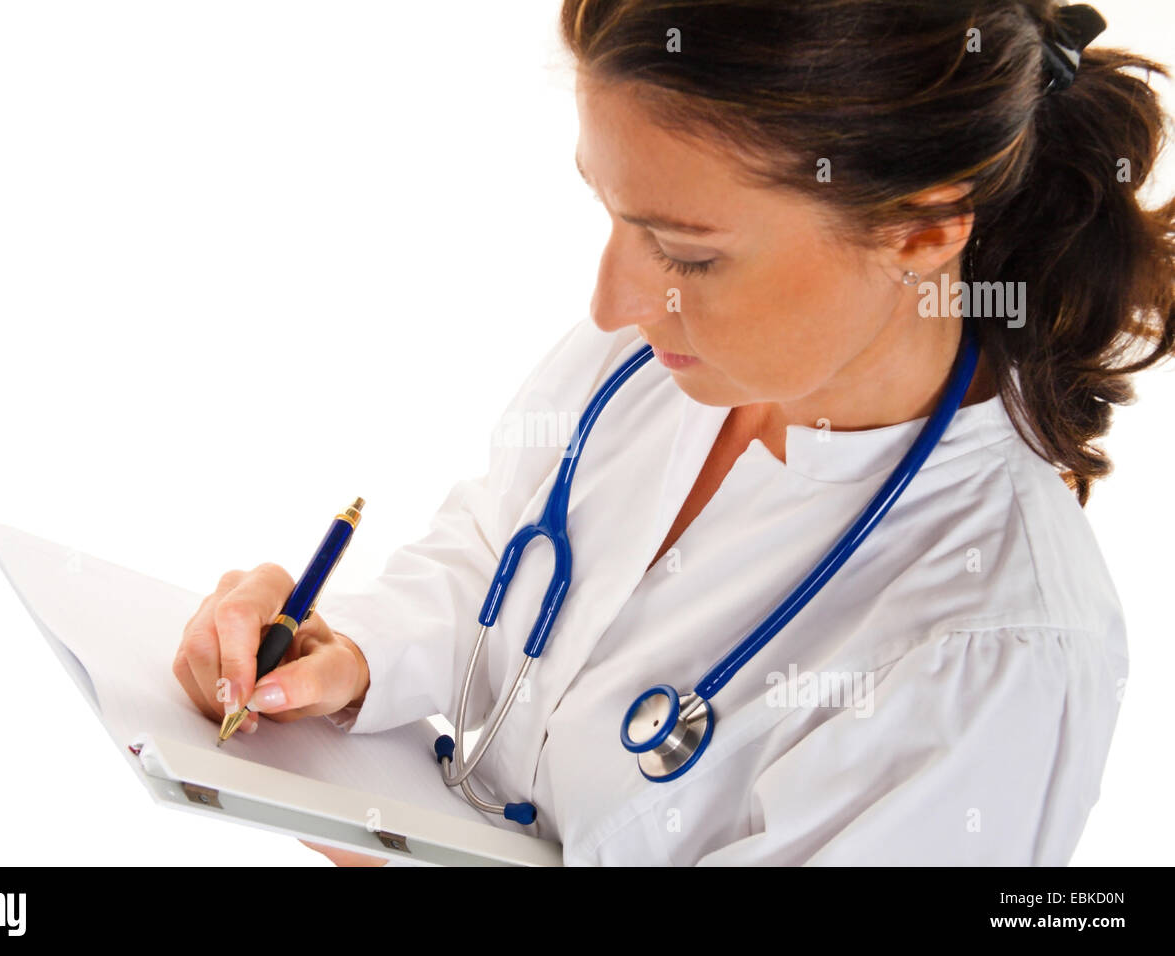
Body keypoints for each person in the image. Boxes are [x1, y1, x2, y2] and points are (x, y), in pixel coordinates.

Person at [172, 0, 1175, 865]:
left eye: (686, 252)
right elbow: (492, 551)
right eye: (611, 211)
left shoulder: (997, 651)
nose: (610, 303)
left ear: (921, 227)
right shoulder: (650, 369)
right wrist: (347, 653)